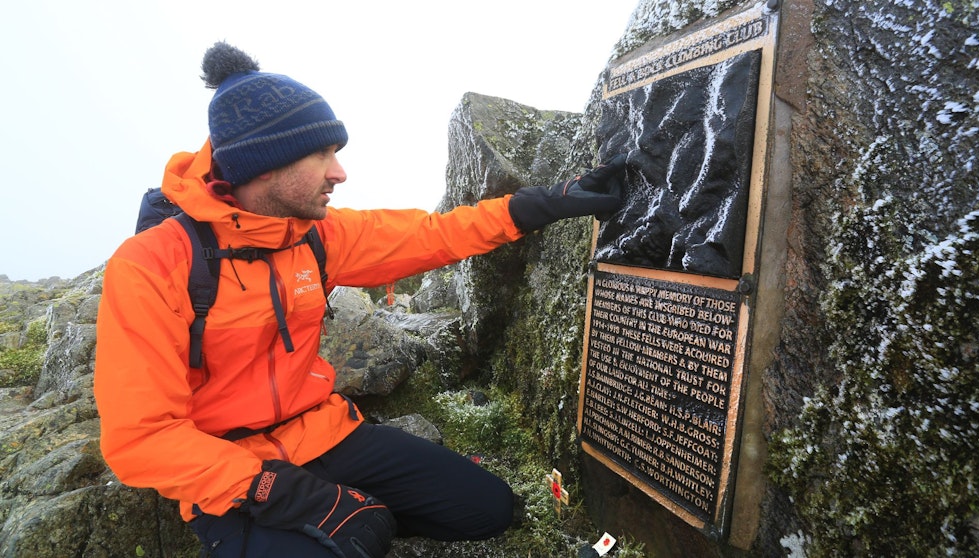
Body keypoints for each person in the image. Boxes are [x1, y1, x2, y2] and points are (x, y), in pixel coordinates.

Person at [94, 41, 626, 558]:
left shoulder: (314, 236)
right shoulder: (153, 265)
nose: (339, 172)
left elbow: (431, 235)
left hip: (324, 433)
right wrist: (287, 494)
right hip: (228, 472)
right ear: (264, 164)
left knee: (487, 509)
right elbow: (142, 437)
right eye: (321, 155)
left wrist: (538, 205)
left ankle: (361, 516)